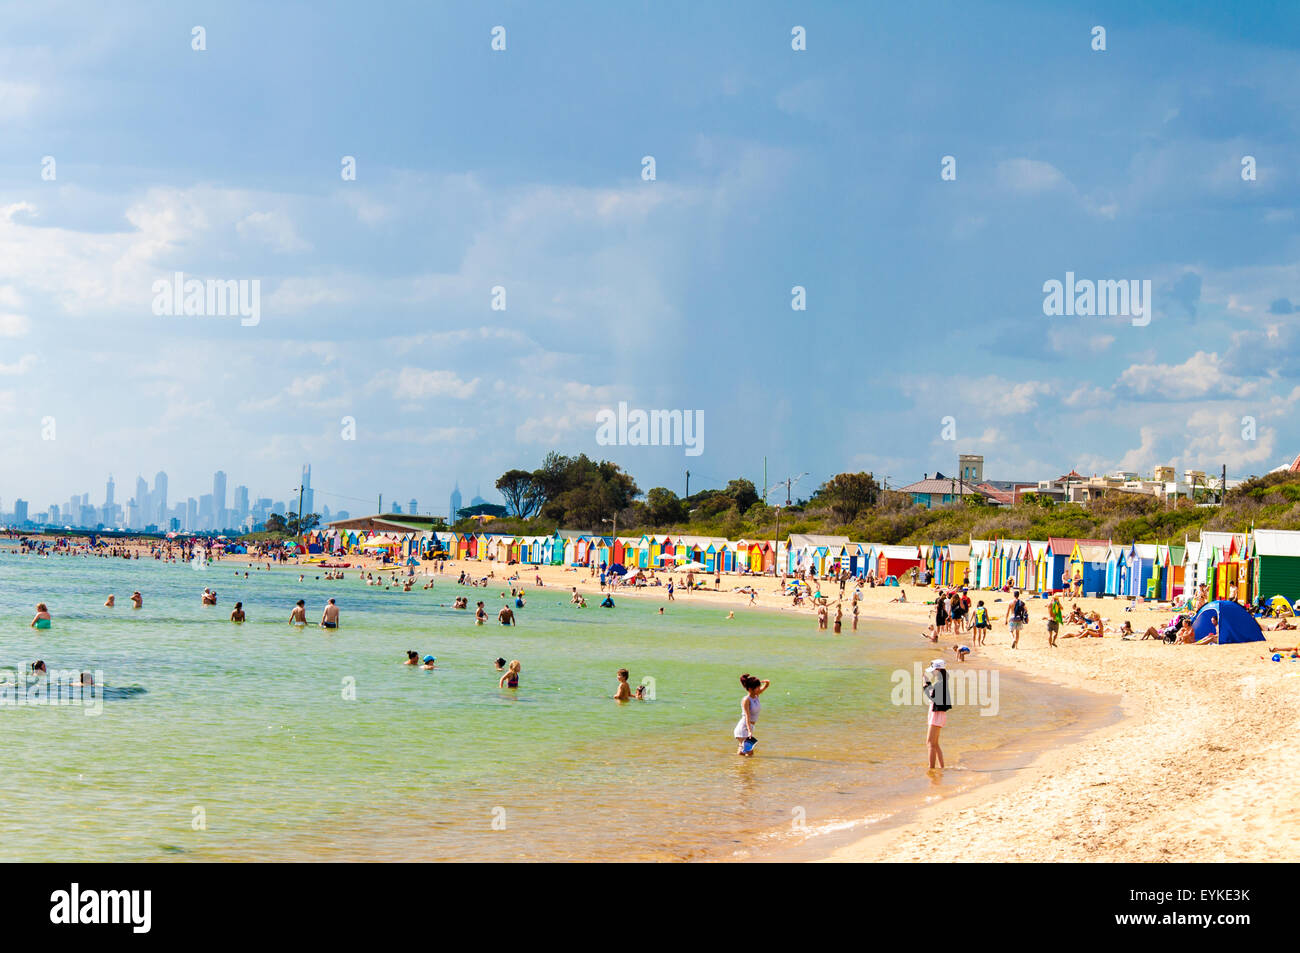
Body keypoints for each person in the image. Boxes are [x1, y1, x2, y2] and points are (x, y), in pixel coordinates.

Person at [922, 659, 951, 770]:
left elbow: (933, 697)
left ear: (938, 670)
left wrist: (925, 685)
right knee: (935, 744)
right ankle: (941, 767)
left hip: (936, 714)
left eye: (934, 670)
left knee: (930, 743)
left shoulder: (940, 683)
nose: (932, 672)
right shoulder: (942, 681)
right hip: (938, 714)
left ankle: (931, 769)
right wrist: (928, 683)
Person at [733, 673, 770, 756]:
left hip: (750, 727)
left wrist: (767, 683)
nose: (759, 688)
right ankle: (743, 767)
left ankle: (737, 765)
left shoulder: (756, 696)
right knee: (749, 752)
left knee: (742, 752)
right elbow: (747, 716)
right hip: (743, 728)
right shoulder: (746, 700)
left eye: (758, 686)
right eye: (757, 687)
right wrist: (749, 731)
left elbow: (764, 688)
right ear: (750, 689)